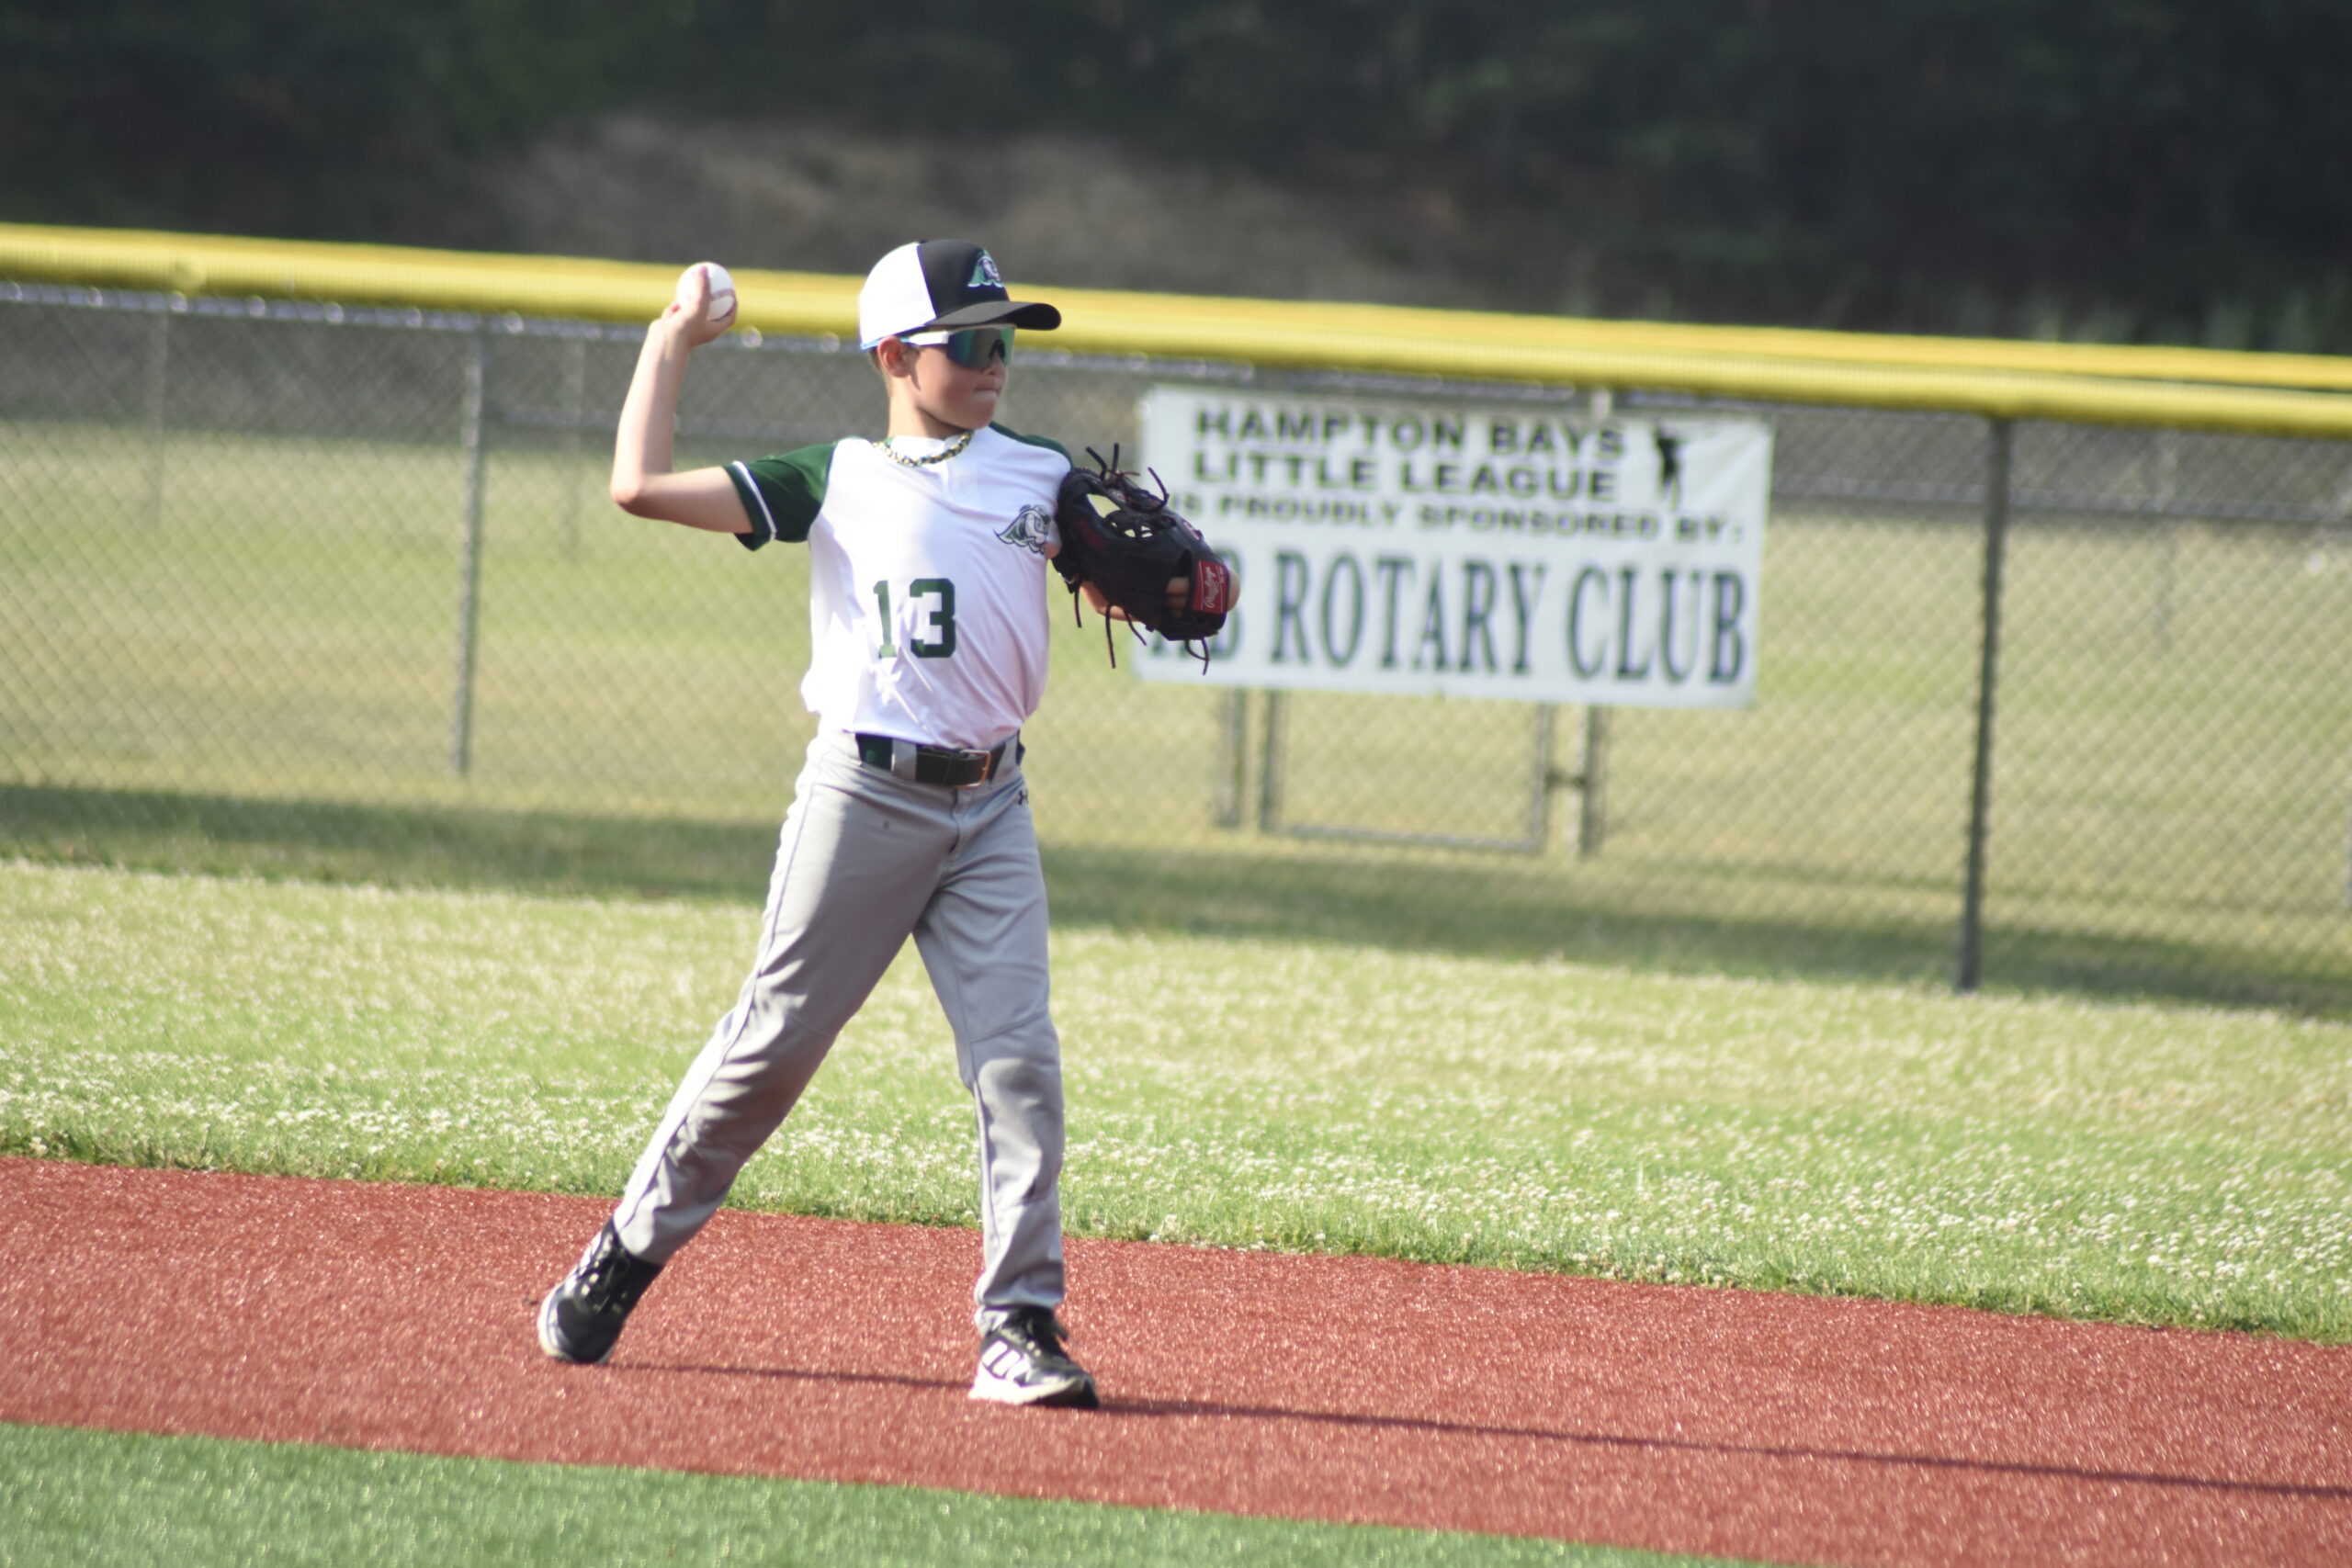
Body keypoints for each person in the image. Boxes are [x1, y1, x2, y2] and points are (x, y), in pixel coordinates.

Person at [536, 239, 1102, 1408]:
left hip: (993, 802)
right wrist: (667, 342)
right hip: (864, 799)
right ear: (895, 356)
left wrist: (1154, 580)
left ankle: (1019, 1327)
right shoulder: (836, 476)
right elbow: (637, 489)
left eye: (1008, 341)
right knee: (771, 1052)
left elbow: (1115, 579)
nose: (997, 362)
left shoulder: (1039, 474)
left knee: (1020, 1066)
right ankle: (628, 1250)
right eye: (972, 343)